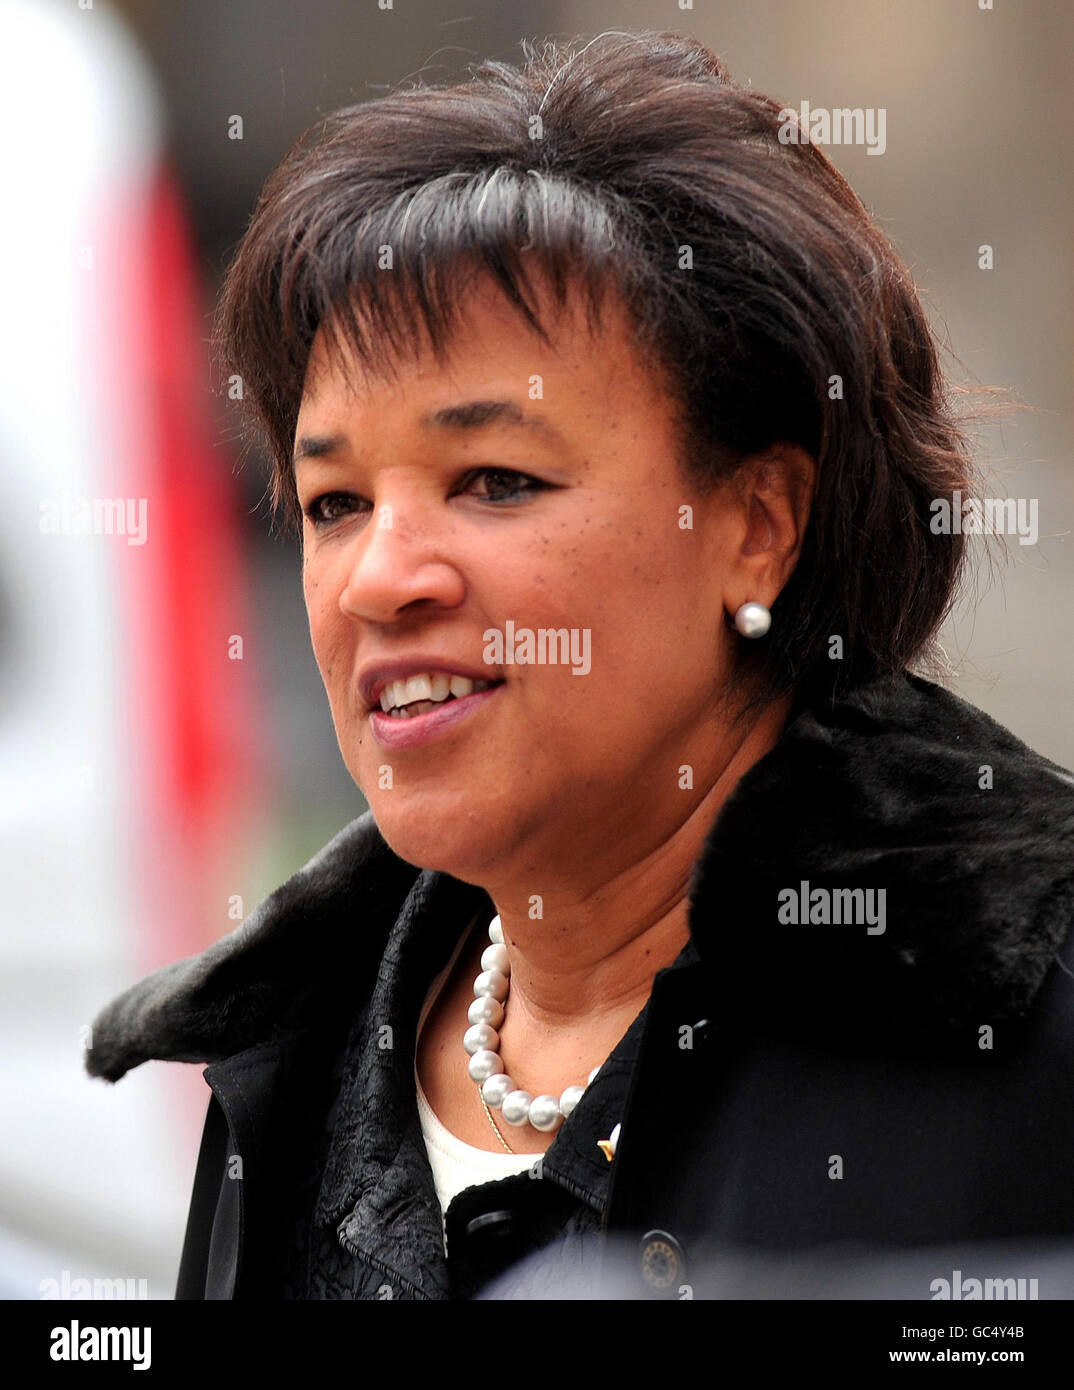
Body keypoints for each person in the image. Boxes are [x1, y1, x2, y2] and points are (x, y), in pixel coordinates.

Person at [85, 30, 1074, 1301]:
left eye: (495, 481)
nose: (383, 577)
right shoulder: (291, 1046)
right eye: (333, 501)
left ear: (758, 527)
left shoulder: (1015, 1018)